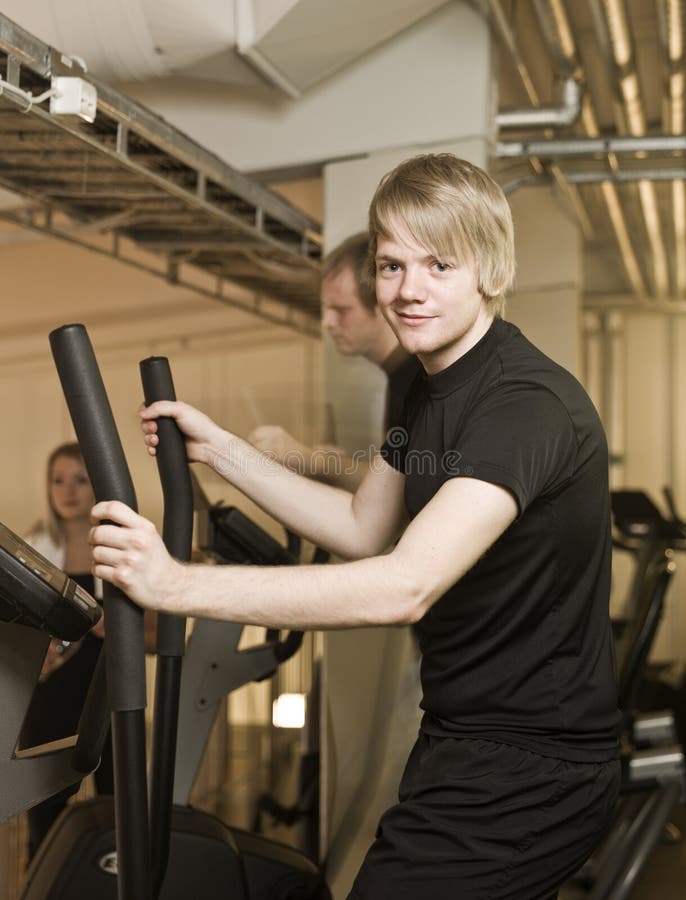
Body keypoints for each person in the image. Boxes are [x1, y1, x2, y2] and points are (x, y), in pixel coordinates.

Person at [90, 153, 621, 899]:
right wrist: (222, 452)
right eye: (391, 266)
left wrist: (176, 584)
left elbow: (403, 586)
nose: (408, 291)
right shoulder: (428, 391)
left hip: (533, 766)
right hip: (461, 740)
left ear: (491, 270)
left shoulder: (522, 405)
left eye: (439, 264)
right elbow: (365, 526)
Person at [249, 231, 422, 491]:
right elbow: (394, 479)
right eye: (326, 309)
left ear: (383, 304)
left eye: (341, 310)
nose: (327, 323)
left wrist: (314, 461)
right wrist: (334, 464)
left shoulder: (418, 379)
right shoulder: (401, 376)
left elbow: (405, 492)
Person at [20, 442, 113, 860]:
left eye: (80, 479)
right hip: (47, 703)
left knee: (115, 819)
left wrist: (107, 626)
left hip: (109, 700)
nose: (68, 490)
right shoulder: (31, 550)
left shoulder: (119, 551)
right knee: (44, 826)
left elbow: (154, 639)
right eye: (58, 479)